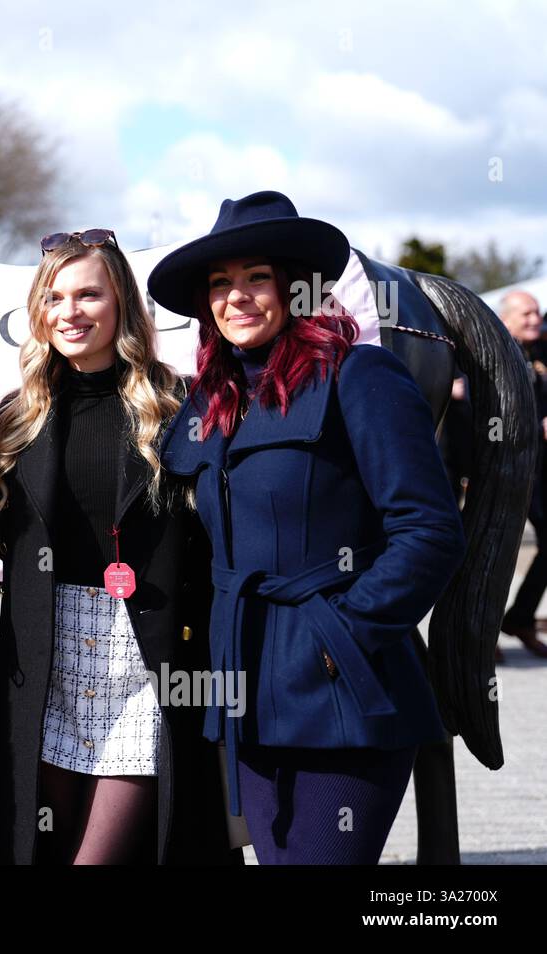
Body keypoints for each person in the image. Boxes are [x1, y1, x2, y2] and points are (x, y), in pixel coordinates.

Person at [149, 191, 465, 864]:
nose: (235, 297)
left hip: (344, 691)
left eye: (255, 277)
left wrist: (345, 632)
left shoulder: (361, 375)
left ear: (297, 288)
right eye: (219, 284)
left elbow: (430, 531)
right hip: (243, 688)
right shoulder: (211, 400)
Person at [0, 228, 233, 865]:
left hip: (145, 659)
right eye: (55, 297)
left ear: (120, 301)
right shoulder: (21, 414)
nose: (70, 312)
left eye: (89, 294)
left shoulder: (176, 405)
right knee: (48, 845)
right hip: (49, 658)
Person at [496, 290, 547, 657]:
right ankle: (476, 636)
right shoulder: (493, 352)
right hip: (502, 467)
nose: (535, 319)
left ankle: (520, 618)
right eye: (527, 314)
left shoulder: (539, 353)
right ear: (507, 317)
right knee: (493, 550)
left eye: (537, 314)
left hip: (538, 469)